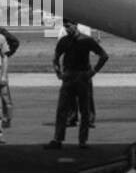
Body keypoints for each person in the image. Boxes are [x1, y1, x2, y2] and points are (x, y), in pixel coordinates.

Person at [46, 19, 108, 149]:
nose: (67, 29)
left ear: (75, 25)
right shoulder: (64, 41)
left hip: (82, 76)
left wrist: (93, 72)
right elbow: (55, 58)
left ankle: (82, 141)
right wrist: (58, 72)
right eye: (65, 27)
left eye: (68, 26)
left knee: (84, 111)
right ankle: (58, 139)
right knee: (62, 109)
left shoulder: (86, 40)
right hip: (68, 76)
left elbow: (104, 55)